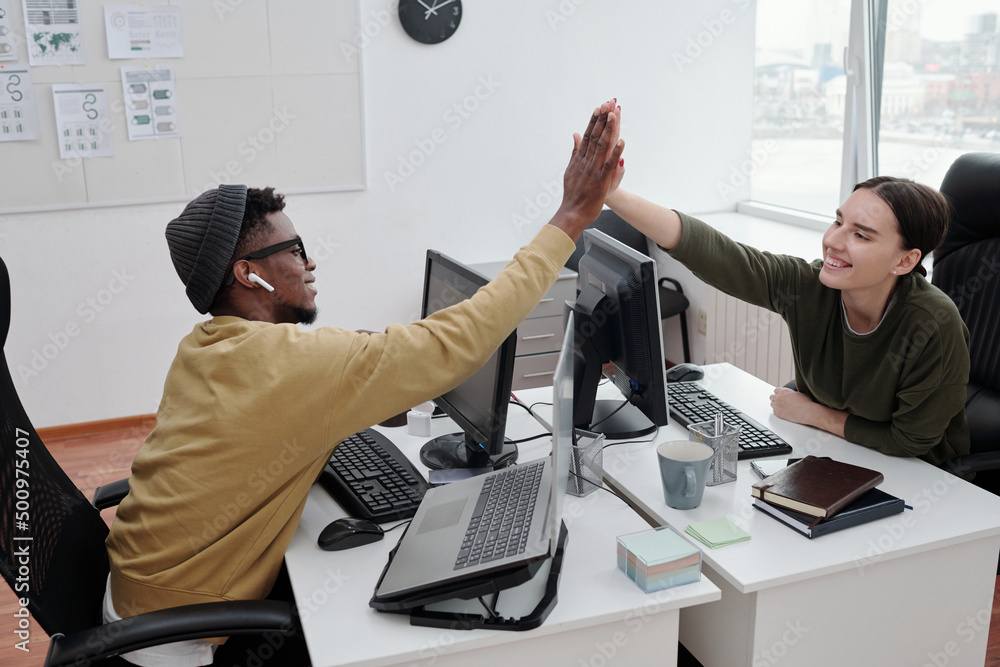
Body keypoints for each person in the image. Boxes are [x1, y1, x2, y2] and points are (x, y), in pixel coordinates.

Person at [103, 101, 624, 667]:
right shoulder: (289, 366)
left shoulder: (208, 348)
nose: (310, 264)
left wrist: (376, 367)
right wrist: (570, 217)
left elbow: (319, 373)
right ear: (248, 273)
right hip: (175, 639)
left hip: (137, 593)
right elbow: (460, 342)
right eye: (293, 251)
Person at [604, 174, 970, 468]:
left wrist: (816, 415)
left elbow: (909, 441)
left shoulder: (933, 324)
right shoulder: (810, 286)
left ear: (905, 262)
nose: (833, 242)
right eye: (838, 221)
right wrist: (612, 194)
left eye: (860, 234)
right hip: (840, 454)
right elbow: (723, 257)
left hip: (920, 480)